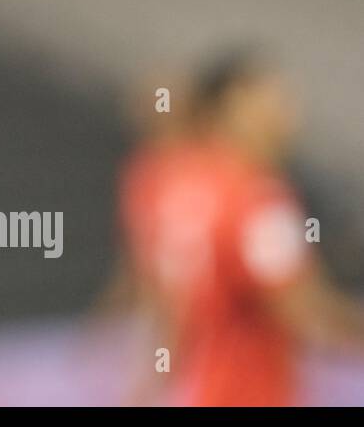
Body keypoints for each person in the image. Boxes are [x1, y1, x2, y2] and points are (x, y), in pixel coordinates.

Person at [119, 50, 364, 405]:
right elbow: (306, 312)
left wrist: (147, 384)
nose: (289, 114)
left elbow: (171, 301)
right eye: (273, 99)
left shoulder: (195, 187)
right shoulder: (257, 199)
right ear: (233, 108)